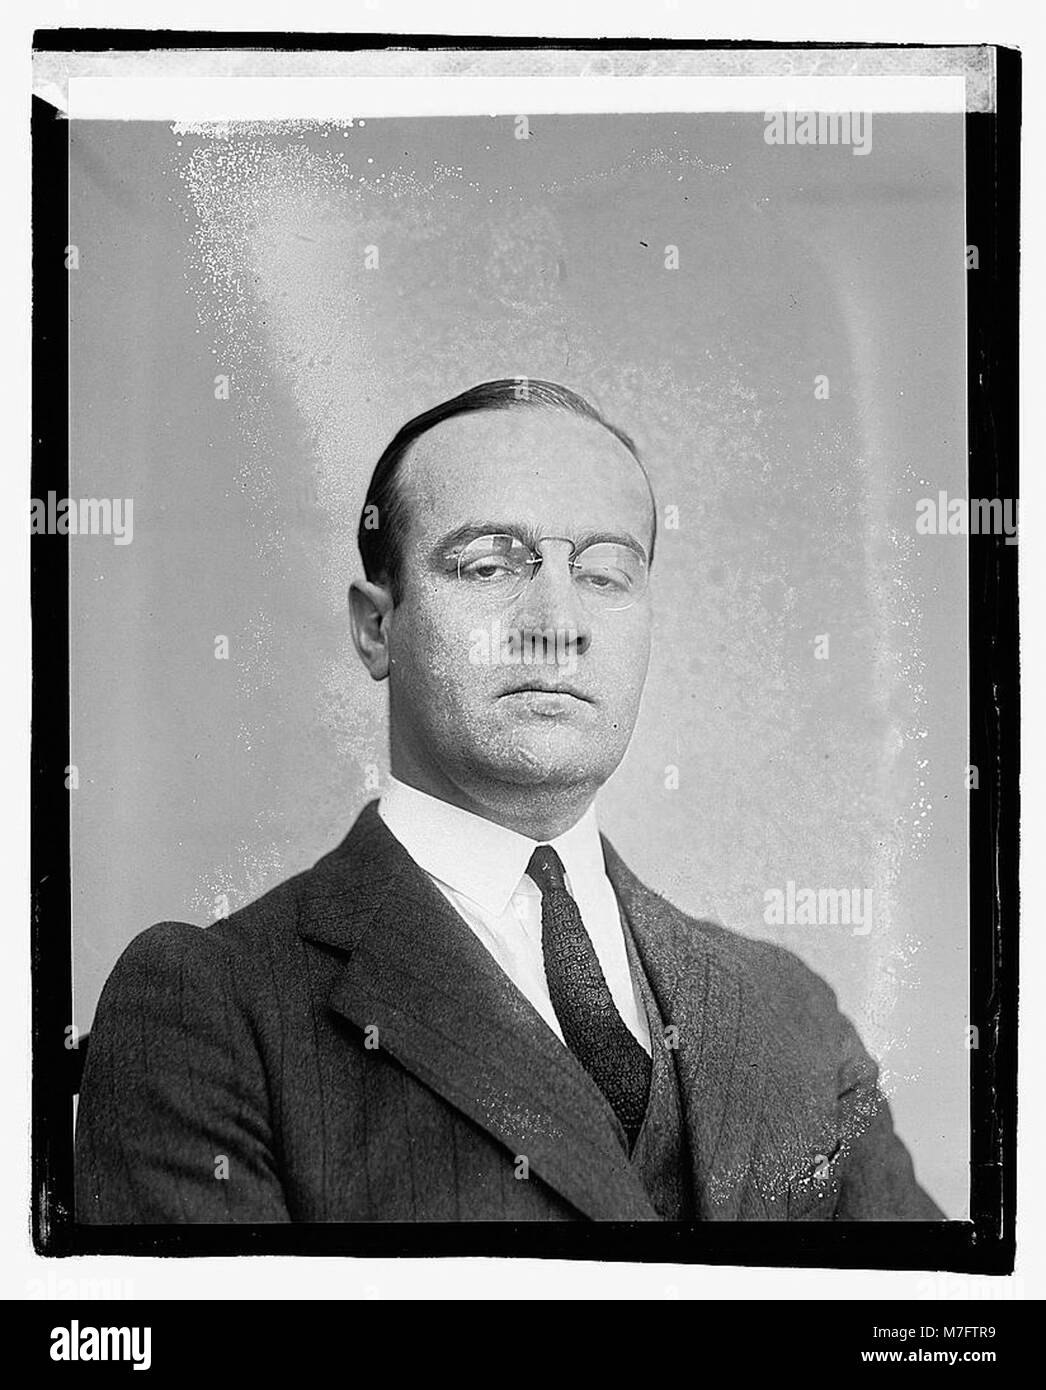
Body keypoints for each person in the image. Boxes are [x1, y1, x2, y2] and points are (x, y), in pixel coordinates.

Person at [75, 378, 944, 1223]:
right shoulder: (212, 1005)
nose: (557, 621)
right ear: (378, 628)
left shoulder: (789, 1011)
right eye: (489, 565)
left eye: (606, 573)